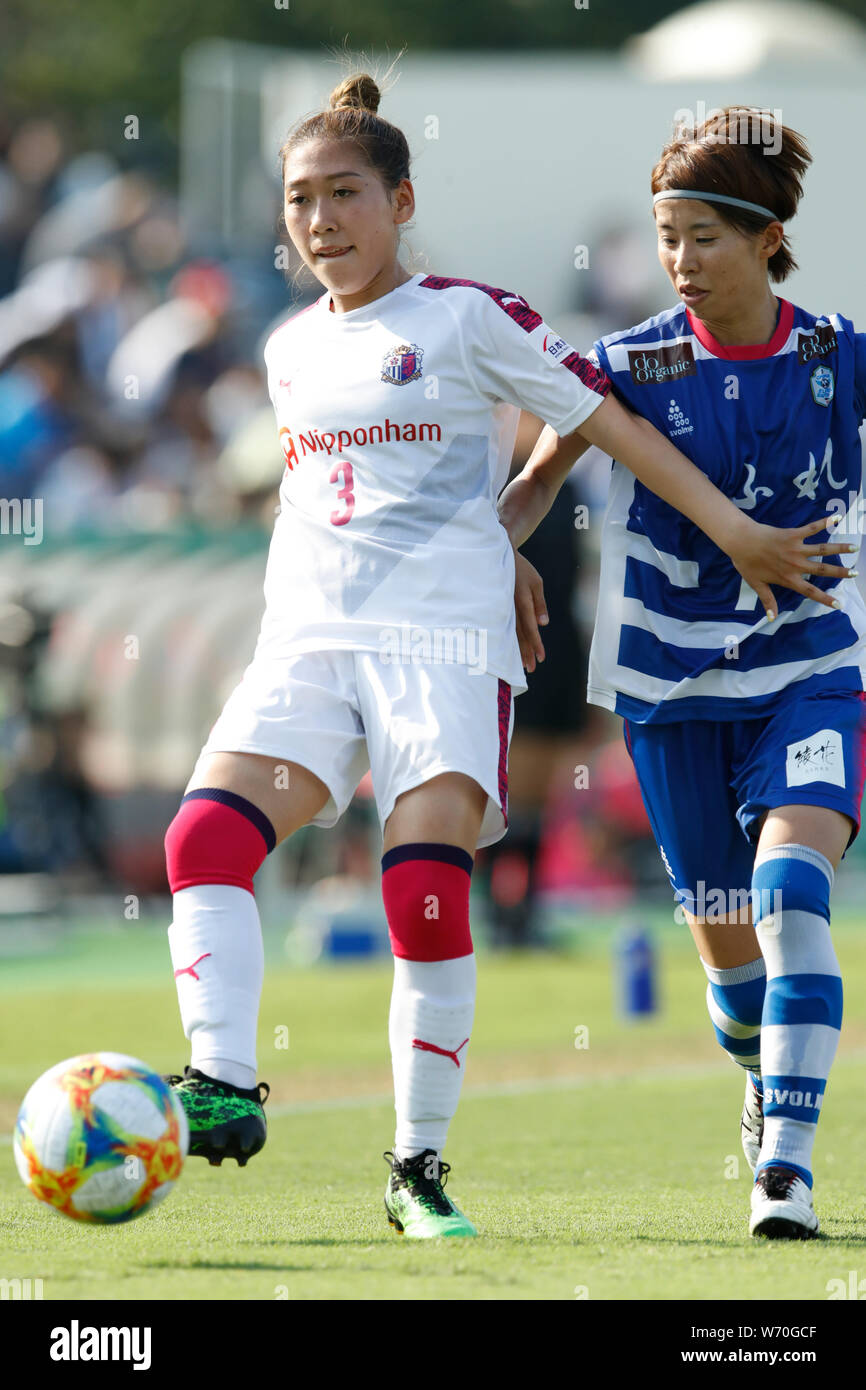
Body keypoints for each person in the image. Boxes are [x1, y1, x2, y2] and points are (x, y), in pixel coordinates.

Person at [163, 81, 852, 1240]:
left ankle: (416, 1168)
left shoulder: (468, 314)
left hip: (442, 646)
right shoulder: (283, 352)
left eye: (345, 195)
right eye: (299, 200)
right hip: (307, 639)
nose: (321, 221)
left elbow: (597, 422)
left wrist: (692, 532)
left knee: (424, 894)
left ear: (400, 201)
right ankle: (222, 1075)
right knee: (199, 839)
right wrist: (505, 536)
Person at [500, 106, 864, 1240]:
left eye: (704, 235)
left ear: (766, 239)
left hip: (811, 667)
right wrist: (482, 550)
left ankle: (785, 1170)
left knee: (788, 892)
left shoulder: (839, 356)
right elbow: (532, 488)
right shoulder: (626, 366)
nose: (679, 260)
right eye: (667, 235)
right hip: (666, 691)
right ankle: (758, 1079)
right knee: (725, 955)